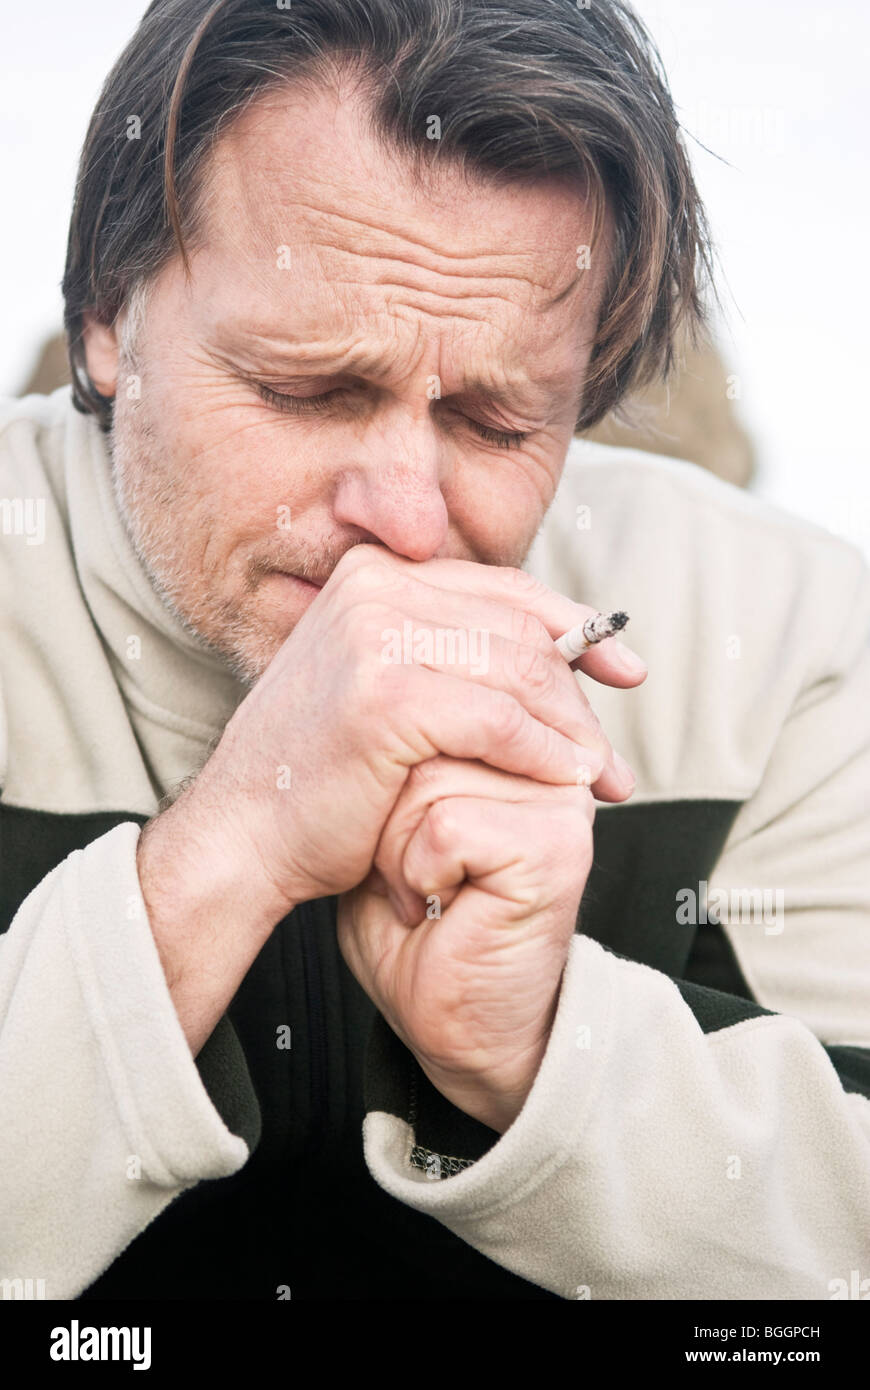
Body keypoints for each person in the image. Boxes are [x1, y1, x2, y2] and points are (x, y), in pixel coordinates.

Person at [1, 0, 867, 1302]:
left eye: (498, 417)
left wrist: (535, 1054)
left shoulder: (789, 635)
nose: (406, 518)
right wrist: (220, 854)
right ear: (108, 312)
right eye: (304, 389)